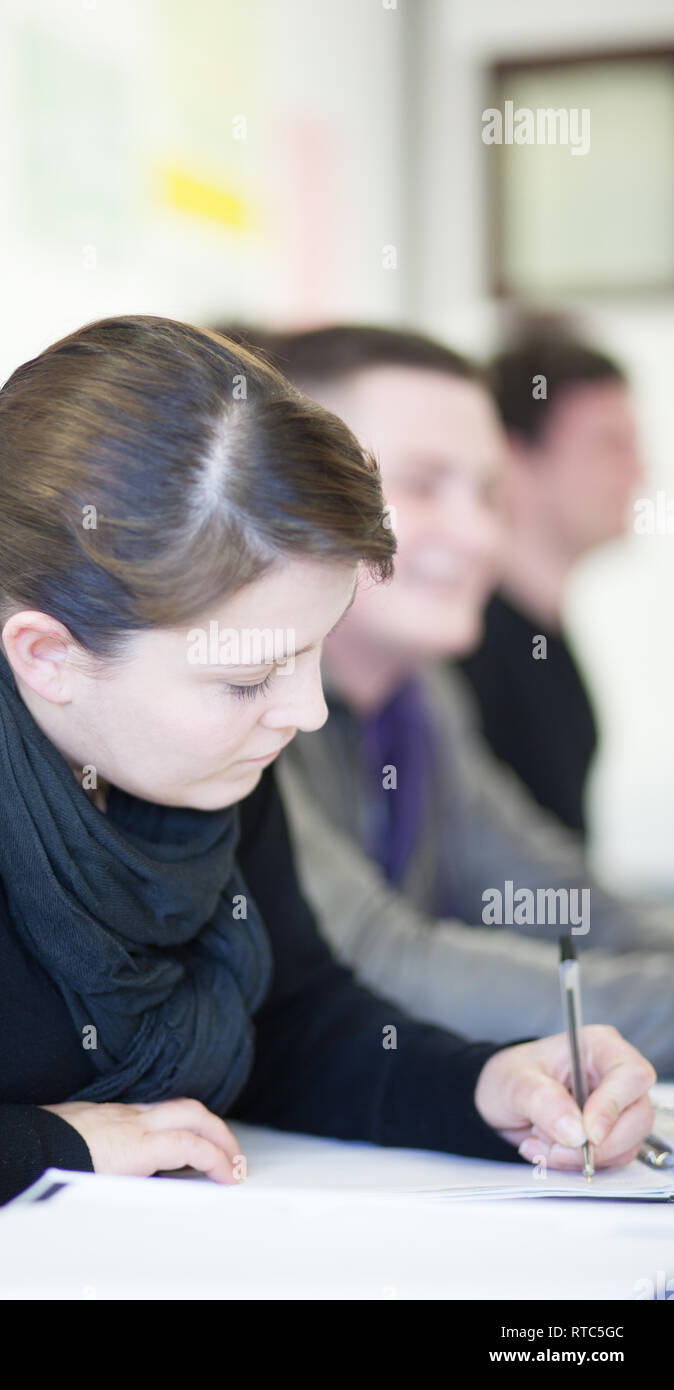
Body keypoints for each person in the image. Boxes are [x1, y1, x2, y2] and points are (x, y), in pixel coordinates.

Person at [0, 315, 655, 1246]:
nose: (307, 713)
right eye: (248, 676)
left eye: (311, 652)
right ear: (48, 654)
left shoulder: (205, 757)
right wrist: (50, 1147)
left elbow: (292, 1019)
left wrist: (481, 1088)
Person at [212, 322, 674, 1074]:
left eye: (489, 494)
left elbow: (555, 896)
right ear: (285, 498)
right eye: (424, 486)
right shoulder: (234, 696)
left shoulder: (424, 695)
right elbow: (384, 959)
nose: (479, 535)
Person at [458, 329, 643, 836]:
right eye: (611, 446)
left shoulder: (544, 634)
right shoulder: (465, 650)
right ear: (514, 459)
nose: (638, 473)